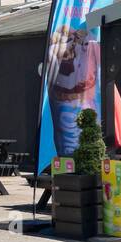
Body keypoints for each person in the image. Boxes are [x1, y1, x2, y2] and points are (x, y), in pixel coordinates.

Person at [47, 25, 100, 155]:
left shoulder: (84, 49)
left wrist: (80, 37)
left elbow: (94, 48)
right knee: (73, 142)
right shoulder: (55, 51)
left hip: (83, 102)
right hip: (67, 105)